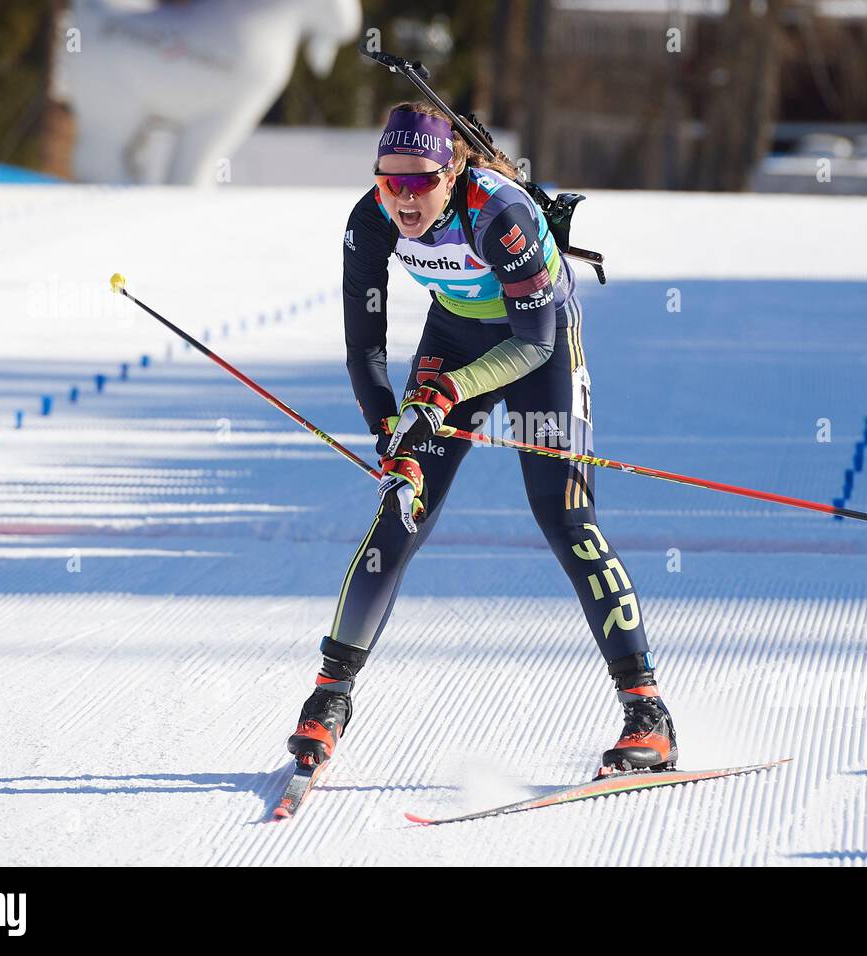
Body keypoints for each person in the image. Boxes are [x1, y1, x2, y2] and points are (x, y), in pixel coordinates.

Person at [286, 103, 676, 778]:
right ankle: (330, 696)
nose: (404, 198)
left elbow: (534, 342)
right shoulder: (368, 221)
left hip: (539, 348)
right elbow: (364, 350)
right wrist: (391, 433)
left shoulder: (499, 213)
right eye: (389, 181)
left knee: (565, 516)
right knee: (401, 508)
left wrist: (441, 398)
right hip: (455, 336)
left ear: (451, 172)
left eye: (420, 182)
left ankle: (648, 713)